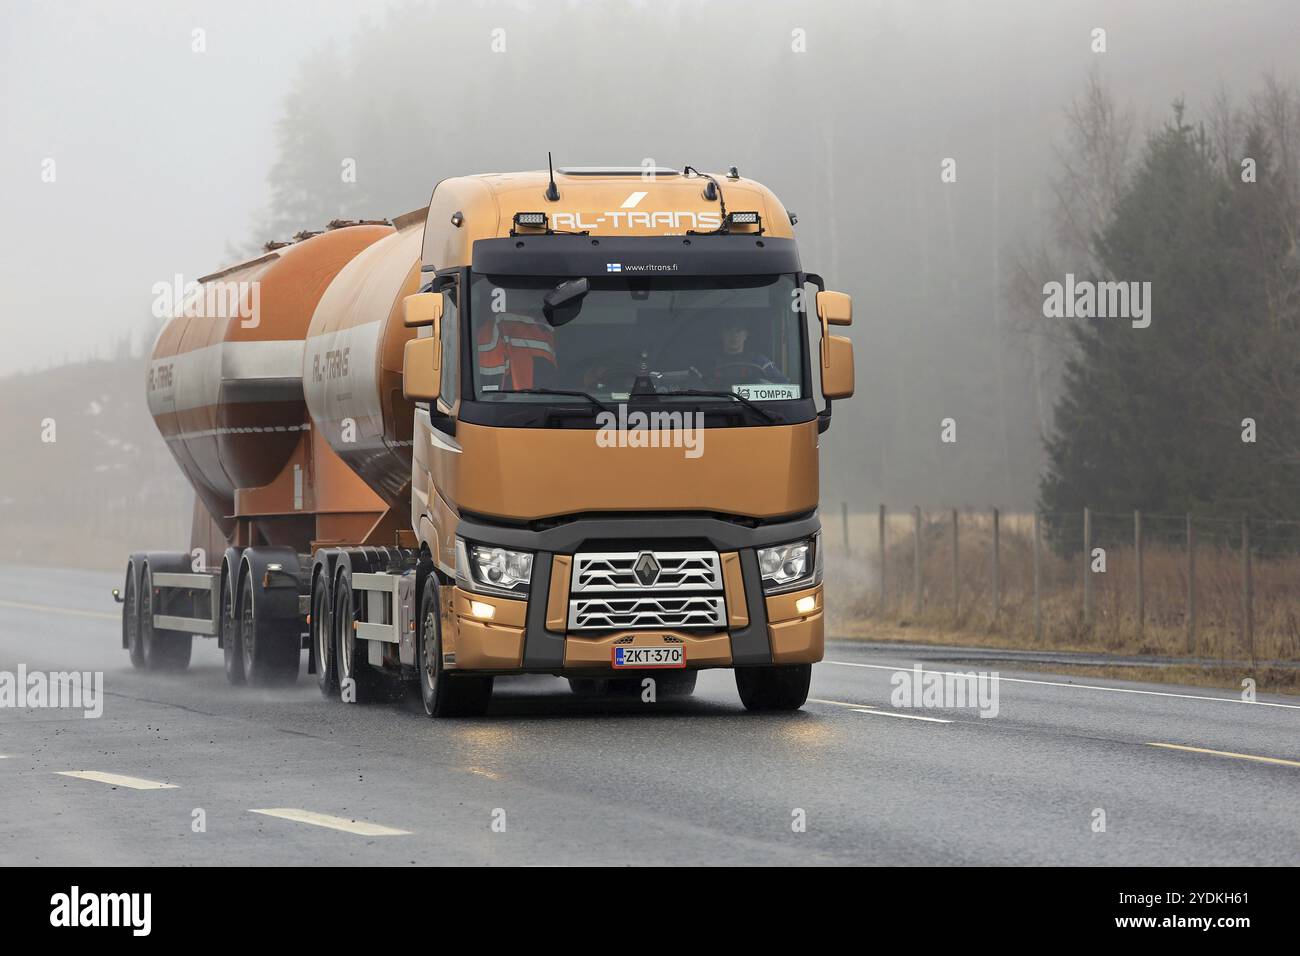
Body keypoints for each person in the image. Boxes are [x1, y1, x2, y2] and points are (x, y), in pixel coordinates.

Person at [704, 315, 786, 385]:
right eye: (729, 330)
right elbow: (697, 385)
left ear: (745, 335)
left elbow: (782, 383)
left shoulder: (760, 361)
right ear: (721, 335)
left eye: (738, 331)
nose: (734, 335)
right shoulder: (709, 363)